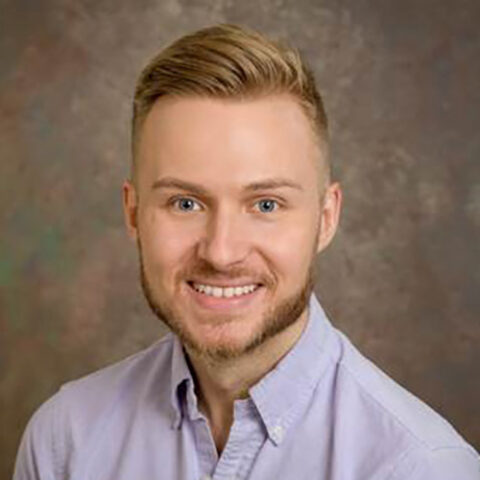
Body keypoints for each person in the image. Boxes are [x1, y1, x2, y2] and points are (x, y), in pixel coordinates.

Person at [13, 24, 479, 480]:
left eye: (266, 204)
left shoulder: (422, 468)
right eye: (185, 203)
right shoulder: (65, 444)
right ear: (133, 213)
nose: (221, 252)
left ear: (326, 217)